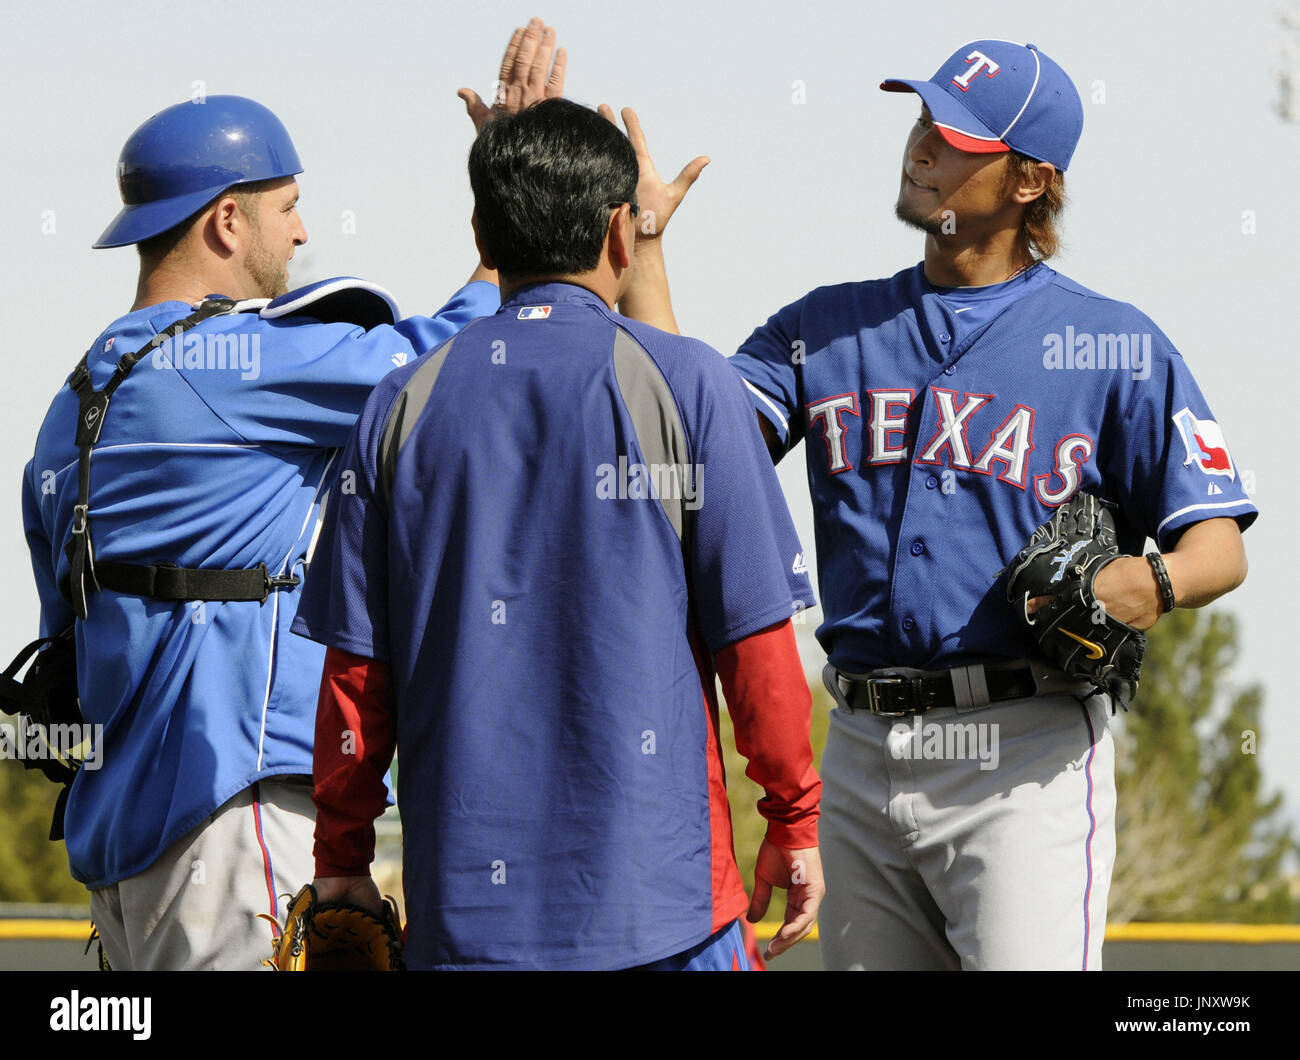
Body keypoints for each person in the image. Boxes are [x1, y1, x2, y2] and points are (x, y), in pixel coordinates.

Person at [624, 39, 1255, 970]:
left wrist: (1146, 581)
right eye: (923, 122)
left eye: (956, 137)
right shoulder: (823, 328)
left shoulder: (1110, 344)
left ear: (1031, 180)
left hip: (1025, 757)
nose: (922, 146)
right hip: (860, 746)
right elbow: (687, 437)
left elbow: (1219, 547)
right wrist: (643, 246)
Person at [20, 20, 566, 970]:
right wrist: (511, 196)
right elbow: (448, 361)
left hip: (118, 842)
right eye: (289, 207)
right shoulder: (229, 360)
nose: (305, 231)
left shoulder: (70, 404)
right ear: (228, 221)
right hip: (232, 812)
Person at [291, 97, 824, 970]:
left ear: (482, 237)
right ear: (623, 233)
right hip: (668, 913)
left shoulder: (398, 403)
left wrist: (341, 857)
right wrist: (793, 820)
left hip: (466, 924)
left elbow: (356, 677)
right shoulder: (690, 382)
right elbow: (757, 646)